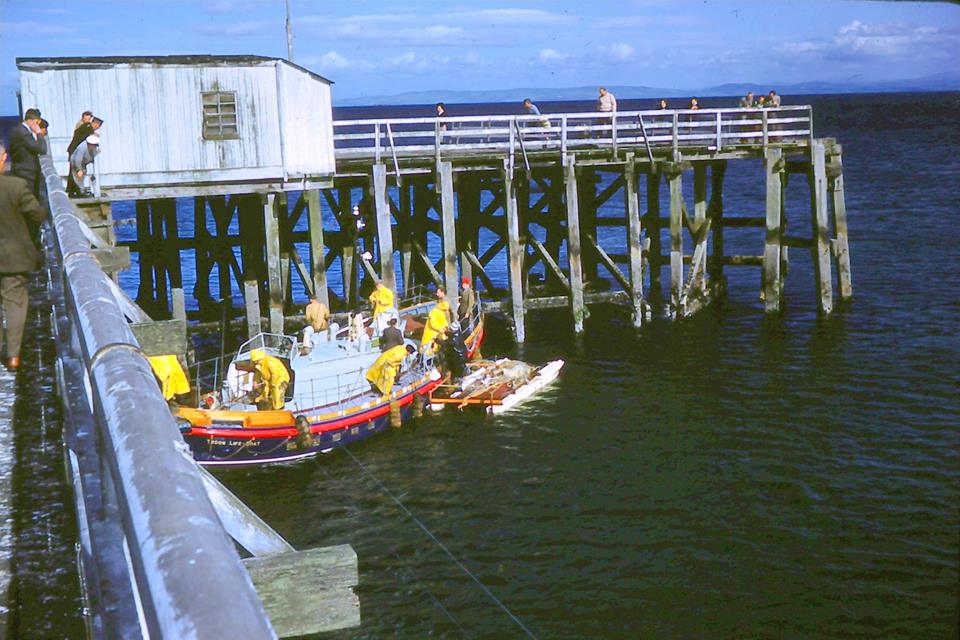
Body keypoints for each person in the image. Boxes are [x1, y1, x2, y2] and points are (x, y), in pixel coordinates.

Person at [0, 142, 46, 371]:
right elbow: (37, 213)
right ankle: (13, 356)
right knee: (15, 305)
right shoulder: (17, 186)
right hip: (13, 257)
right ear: (4, 158)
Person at [8, 108, 45, 199]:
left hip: (25, 171)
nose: (37, 126)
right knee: (28, 198)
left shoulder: (21, 130)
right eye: (37, 123)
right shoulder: (22, 132)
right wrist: (39, 133)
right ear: (32, 121)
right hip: (25, 172)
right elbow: (41, 149)